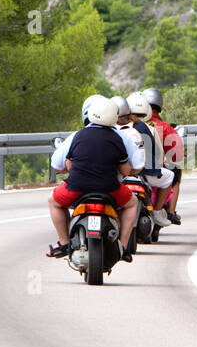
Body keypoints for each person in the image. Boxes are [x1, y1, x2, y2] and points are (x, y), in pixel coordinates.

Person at [47, 95, 138, 261]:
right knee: (132, 203)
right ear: (114, 116)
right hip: (109, 189)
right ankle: (123, 247)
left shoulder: (77, 135)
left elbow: (64, 165)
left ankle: (64, 243)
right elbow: (126, 171)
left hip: (76, 188)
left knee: (53, 201)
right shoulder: (118, 137)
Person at [127, 92, 174, 227]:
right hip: (145, 171)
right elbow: (156, 152)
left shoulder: (116, 127)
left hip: (121, 171)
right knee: (169, 176)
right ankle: (157, 211)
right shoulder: (146, 127)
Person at [143, 88, 183, 225]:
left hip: (135, 167)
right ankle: (171, 212)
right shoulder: (165, 127)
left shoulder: (133, 125)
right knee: (175, 176)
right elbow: (177, 153)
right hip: (156, 167)